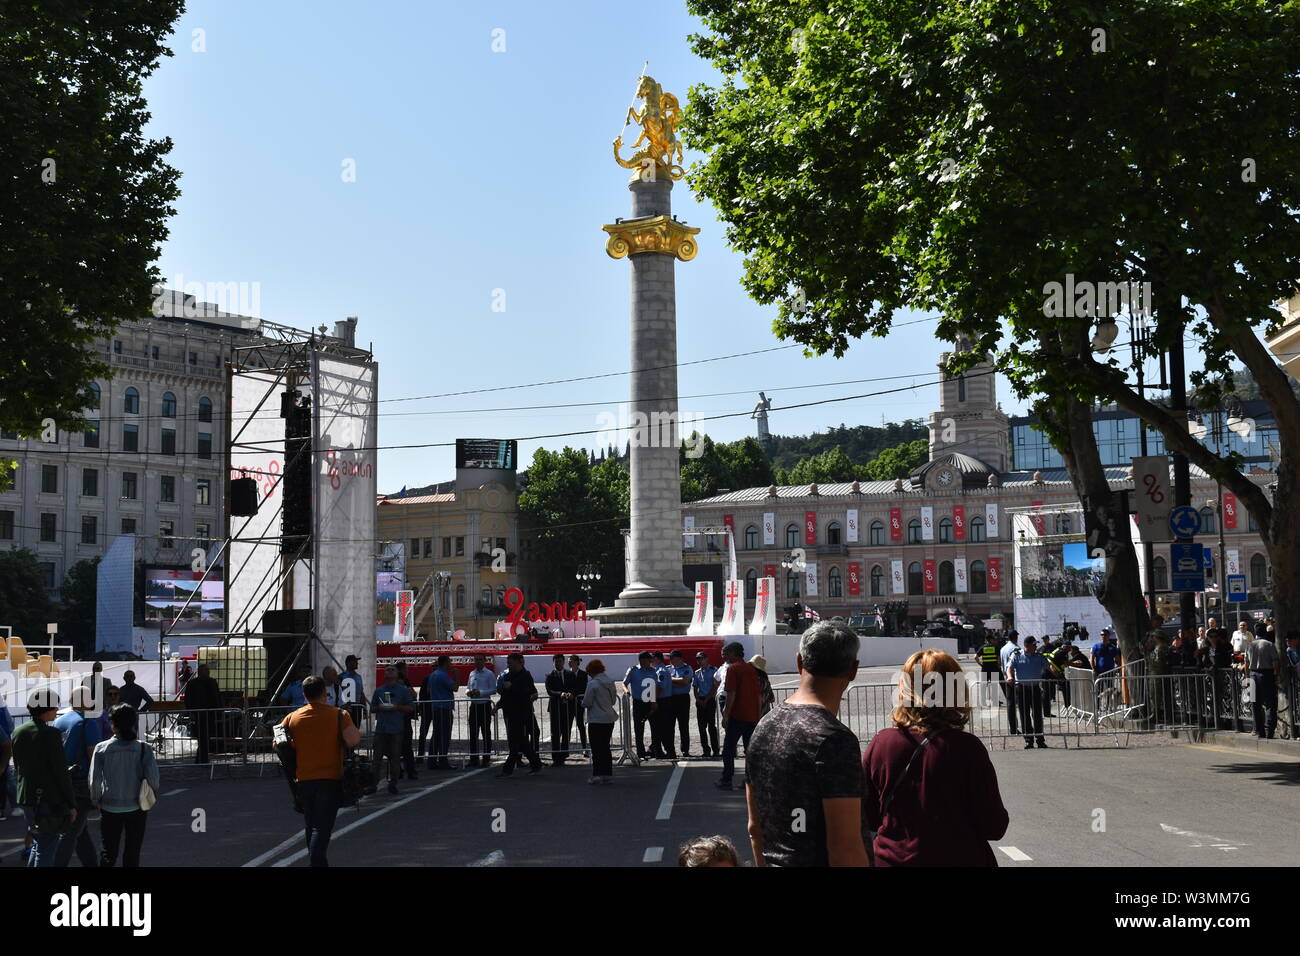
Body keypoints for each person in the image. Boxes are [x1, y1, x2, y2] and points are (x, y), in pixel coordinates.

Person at [863, 649, 1009, 866]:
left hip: (893, 859)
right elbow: (994, 825)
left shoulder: (881, 743)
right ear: (956, 688)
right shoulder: (967, 748)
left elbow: (869, 816)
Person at [744, 621, 868, 866]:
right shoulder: (833, 739)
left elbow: (755, 827)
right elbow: (845, 847)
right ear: (853, 670)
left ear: (799, 662)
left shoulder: (764, 725)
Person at [281, 676, 361, 866]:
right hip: (330, 778)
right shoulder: (339, 715)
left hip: (303, 780)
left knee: (311, 825)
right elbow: (353, 740)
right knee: (322, 828)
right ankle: (317, 862)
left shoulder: (292, 718)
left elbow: (278, 744)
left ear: (304, 695)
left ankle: (316, 861)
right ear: (325, 693)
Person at [88, 703, 160, 868]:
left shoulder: (101, 748)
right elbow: (154, 780)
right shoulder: (144, 748)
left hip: (110, 806)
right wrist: (152, 795)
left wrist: (96, 800)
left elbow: (94, 780)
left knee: (108, 853)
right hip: (137, 807)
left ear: (113, 725)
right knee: (132, 852)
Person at [11, 690, 76, 867]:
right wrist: (71, 803)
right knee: (46, 848)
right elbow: (61, 773)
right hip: (48, 800)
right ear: (46, 709)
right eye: (54, 707)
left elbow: (17, 765)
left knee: (39, 843)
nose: (56, 711)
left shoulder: (18, 731)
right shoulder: (51, 734)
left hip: (25, 796)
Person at [53, 685, 102, 867]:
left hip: (62, 779)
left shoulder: (60, 722)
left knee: (80, 830)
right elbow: (93, 754)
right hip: (80, 782)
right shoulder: (88, 722)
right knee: (72, 832)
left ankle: (91, 864)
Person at [715, 642, 760, 791]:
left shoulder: (733, 669)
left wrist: (726, 714)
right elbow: (758, 695)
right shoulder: (751, 669)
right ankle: (750, 780)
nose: (724, 656)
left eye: (726, 654)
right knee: (749, 749)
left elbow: (731, 693)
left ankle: (727, 779)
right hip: (751, 715)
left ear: (733, 653)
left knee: (728, 748)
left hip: (738, 715)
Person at [370, 666, 415, 794]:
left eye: (392, 670)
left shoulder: (403, 691)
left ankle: (393, 783)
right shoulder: (379, 691)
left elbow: (411, 708)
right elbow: (372, 708)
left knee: (395, 758)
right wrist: (380, 707)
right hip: (381, 729)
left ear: (397, 674)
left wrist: (397, 707)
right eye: (387, 670)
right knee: (376, 758)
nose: (389, 671)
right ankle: (373, 784)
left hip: (396, 729)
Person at [496, 653, 542, 776]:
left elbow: (529, 691)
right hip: (510, 713)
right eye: (508, 663)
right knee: (520, 742)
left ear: (517, 662)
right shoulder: (508, 676)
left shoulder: (526, 676)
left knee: (517, 742)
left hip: (522, 713)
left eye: (510, 663)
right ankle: (536, 764)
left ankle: (508, 770)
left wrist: (512, 687)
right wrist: (497, 706)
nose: (508, 665)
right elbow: (504, 695)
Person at [581, 659, 618, 784]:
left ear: (592, 672)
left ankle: (597, 774)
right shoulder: (610, 682)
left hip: (596, 719)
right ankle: (607, 774)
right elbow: (613, 701)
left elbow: (587, 702)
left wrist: (581, 703)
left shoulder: (593, 684)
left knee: (596, 748)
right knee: (605, 747)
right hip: (609, 718)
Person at [1008, 636, 1048, 749]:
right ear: (1027, 645)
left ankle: (1040, 739)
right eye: (1034, 644)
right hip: (1022, 688)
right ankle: (1029, 740)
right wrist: (1010, 677)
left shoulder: (1039, 656)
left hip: (1035, 688)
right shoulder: (1016, 655)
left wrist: (1060, 676)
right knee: (1024, 715)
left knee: (1037, 715)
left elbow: (1049, 667)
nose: (1036, 646)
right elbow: (1009, 668)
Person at [1244, 632, 1282, 740]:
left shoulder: (1249, 645)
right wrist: (1277, 676)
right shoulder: (1269, 644)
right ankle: (1269, 731)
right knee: (1270, 703)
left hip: (1252, 675)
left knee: (1255, 704)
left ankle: (1260, 731)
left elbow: (1246, 664)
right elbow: (1275, 662)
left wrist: (1247, 678)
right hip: (1266, 675)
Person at [422, 656, 457, 769]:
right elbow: (455, 687)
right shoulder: (443, 675)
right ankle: (443, 760)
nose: (451, 665)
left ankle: (432, 761)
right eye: (450, 662)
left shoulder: (433, 675)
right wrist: (456, 675)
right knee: (445, 735)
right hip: (444, 708)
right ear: (446, 663)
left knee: (436, 735)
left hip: (436, 707)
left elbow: (428, 690)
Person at [623, 652, 659, 760]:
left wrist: (654, 701)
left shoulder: (653, 671)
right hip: (638, 703)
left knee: (655, 728)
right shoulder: (633, 670)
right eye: (649, 660)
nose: (651, 662)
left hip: (650, 702)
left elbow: (655, 686)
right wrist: (626, 692)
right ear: (643, 660)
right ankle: (641, 753)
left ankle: (655, 751)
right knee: (639, 729)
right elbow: (624, 683)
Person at [184, 663, 220, 764]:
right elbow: (188, 699)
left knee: (206, 737)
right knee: (202, 737)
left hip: (210, 714)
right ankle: (202, 758)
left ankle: (201, 758)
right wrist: (190, 712)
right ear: (200, 672)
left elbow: (217, 696)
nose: (208, 672)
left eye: (208, 670)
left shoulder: (212, 682)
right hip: (198, 714)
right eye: (206, 670)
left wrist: (218, 710)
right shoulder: (192, 684)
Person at [465, 654, 496, 767]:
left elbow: (494, 690)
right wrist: (468, 692)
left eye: (479, 660)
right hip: (474, 705)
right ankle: (473, 758)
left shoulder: (489, 674)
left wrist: (481, 692)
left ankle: (486, 758)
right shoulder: (472, 673)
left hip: (484, 705)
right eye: (476, 660)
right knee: (473, 733)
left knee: (485, 732)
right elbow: (468, 687)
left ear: (484, 661)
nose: (477, 662)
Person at [545, 653, 573, 765]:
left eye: (560, 661)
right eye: (556, 661)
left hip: (568, 707)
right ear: (553, 662)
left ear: (563, 662)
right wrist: (560, 694)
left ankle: (564, 754)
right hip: (555, 707)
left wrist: (571, 694)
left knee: (566, 732)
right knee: (555, 733)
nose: (558, 663)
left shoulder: (570, 674)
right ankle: (556, 757)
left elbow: (574, 687)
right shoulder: (549, 675)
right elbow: (549, 690)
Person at [693, 652, 720, 759]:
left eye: (702, 658)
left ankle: (715, 749)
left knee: (711, 726)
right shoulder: (697, 672)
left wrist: (707, 699)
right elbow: (695, 687)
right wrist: (698, 699)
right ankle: (706, 750)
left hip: (710, 700)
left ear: (706, 659)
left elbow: (714, 687)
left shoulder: (713, 670)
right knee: (701, 727)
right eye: (698, 659)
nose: (700, 661)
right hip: (701, 700)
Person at [651, 651, 677, 760]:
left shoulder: (661, 671)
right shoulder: (658, 670)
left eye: (652, 658)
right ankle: (660, 750)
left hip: (663, 701)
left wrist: (654, 700)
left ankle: (669, 751)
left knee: (664, 728)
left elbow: (660, 687)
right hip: (663, 700)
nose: (651, 661)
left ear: (657, 659)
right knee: (661, 728)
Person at [395, 661, 418, 780]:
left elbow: (414, 695)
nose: (407, 671)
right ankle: (398, 770)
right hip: (397, 719)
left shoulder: (406, 682)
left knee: (407, 746)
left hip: (406, 718)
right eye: (405, 669)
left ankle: (410, 770)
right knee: (396, 746)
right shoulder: (393, 684)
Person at [668, 650, 694, 757]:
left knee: (683, 725)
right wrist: (677, 682)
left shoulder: (687, 668)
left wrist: (671, 680)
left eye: (672, 658)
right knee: (670, 725)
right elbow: (665, 683)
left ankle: (685, 749)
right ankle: (671, 750)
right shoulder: (668, 668)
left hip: (683, 698)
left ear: (679, 659)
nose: (670, 660)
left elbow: (685, 682)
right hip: (671, 698)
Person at [566, 655, 589, 757]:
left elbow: (583, 687)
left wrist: (574, 694)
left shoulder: (583, 674)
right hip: (569, 703)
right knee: (568, 726)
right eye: (568, 661)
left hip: (579, 703)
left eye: (571, 661)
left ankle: (585, 748)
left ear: (576, 662)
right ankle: (566, 749)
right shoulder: (567, 673)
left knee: (581, 725)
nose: (569, 663)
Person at [998, 632, 1020, 736]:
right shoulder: (1016, 648)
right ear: (1015, 637)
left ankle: (1013, 727)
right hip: (1016, 679)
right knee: (1023, 705)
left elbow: (1002, 664)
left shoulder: (1003, 648)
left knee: (1010, 704)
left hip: (1007, 678)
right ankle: (1024, 726)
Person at [340, 655, 366, 730]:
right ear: (348, 663)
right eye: (354, 661)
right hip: (345, 708)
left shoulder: (359, 677)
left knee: (355, 729)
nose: (357, 663)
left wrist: (364, 708)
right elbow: (338, 692)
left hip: (357, 708)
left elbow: (361, 692)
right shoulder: (341, 676)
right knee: (345, 729)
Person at [750, 654, 776, 719]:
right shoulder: (766, 681)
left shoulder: (753, 680)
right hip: (766, 713)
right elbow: (772, 699)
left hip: (755, 714)